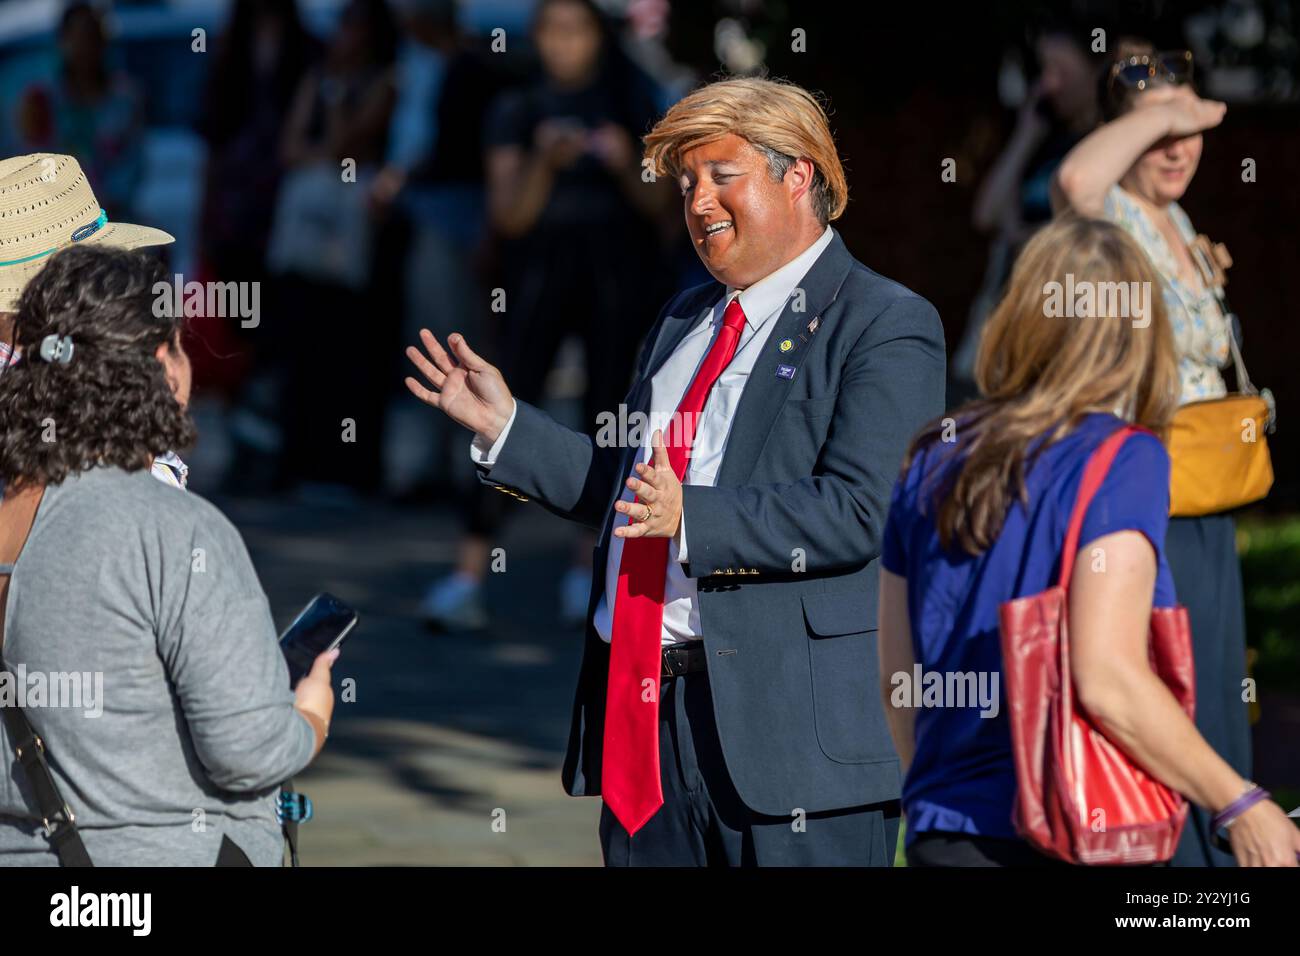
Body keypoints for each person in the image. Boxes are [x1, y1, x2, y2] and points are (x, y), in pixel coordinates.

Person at [406, 76, 946, 866]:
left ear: (798, 174)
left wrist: (692, 518)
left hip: (790, 741)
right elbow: (631, 493)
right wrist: (507, 427)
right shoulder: (682, 319)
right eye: (687, 182)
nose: (698, 203)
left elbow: (862, 510)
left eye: (722, 176)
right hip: (644, 726)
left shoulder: (885, 321)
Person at [878, 216, 1299, 868]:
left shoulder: (932, 454)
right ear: (1140, 333)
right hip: (1069, 827)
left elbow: (896, 679)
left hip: (944, 827)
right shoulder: (1124, 459)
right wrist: (1238, 801)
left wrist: (934, 797)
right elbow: (1106, 676)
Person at [0, 244, 338, 866]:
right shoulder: (177, 531)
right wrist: (310, 717)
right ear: (161, 363)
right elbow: (249, 753)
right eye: (181, 344)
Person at [1052, 43, 1253, 866]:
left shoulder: (1179, 225)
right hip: (1144, 498)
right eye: (1153, 130)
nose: (1175, 147)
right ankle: (1170, 869)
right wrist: (1163, 114)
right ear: (1120, 135)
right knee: (1166, 682)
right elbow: (1071, 182)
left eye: (1187, 125)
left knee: (1215, 686)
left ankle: (1232, 841)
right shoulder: (1111, 220)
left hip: (1209, 497)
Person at [419, 0, 673, 631]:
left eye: (574, 29)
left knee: (610, 413)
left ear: (596, 33)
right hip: (537, 277)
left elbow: (661, 206)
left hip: (617, 276)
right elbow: (509, 215)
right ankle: (468, 572)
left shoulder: (631, 92)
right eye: (550, 31)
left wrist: (621, 158)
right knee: (506, 406)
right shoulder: (517, 104)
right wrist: (544, 160)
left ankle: (583, 571)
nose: (562, 44)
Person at [952, 20, 1101, 404]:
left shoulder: (1103, 147)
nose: (1050, 83)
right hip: (1010, 307)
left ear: (1093, 70)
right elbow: (987, 214)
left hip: (1063, 311)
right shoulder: (1043, 140)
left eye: (1062, 71)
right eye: (1045, 70)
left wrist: (1026, 235)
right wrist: (1027, 134)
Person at [14, 2, 145, 218]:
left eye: (92, 38)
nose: (85, 48)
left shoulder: (125, 100)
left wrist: (103, 202)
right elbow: (31, 162)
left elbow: (132, 165)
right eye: (78, 38)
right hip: (55, 218)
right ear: (63, 41)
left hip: (112, 219)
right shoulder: (40, 101)